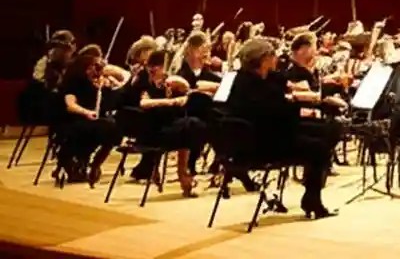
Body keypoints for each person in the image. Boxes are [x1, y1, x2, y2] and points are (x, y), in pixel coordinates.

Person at [225, 38, 337, 219]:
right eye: (273, 55)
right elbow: (279, 116)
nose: (276, 59)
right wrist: (296, 106)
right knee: (320, 148)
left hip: (260, 136)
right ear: (264, 59)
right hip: (262, 145)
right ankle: (312, 199)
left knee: (323, 131)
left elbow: (280, 100)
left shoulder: (249, 78)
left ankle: (311, 189)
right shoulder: (257, 86)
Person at [119, 50, 205, 196]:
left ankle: (184, 173)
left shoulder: (166, 83)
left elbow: (186, 92)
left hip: (165, 127)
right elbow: (144, 103)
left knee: (192, 127)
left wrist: (183, 91)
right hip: (151, 132)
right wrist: (170, 101)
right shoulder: (143, 81)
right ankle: (185, 174)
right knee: (192, 127)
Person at [57, 47, 122, 185]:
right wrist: (87, 112)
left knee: (114, 128)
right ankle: (72, 160)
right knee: (108, 128)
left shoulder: (99, 82)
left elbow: (120, 89)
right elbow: (71, 105)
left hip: (93, 121)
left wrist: (110, 84)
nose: (95, 70)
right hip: (74, 120)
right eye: (93, 66)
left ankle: (95, 164)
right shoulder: (74, 81)